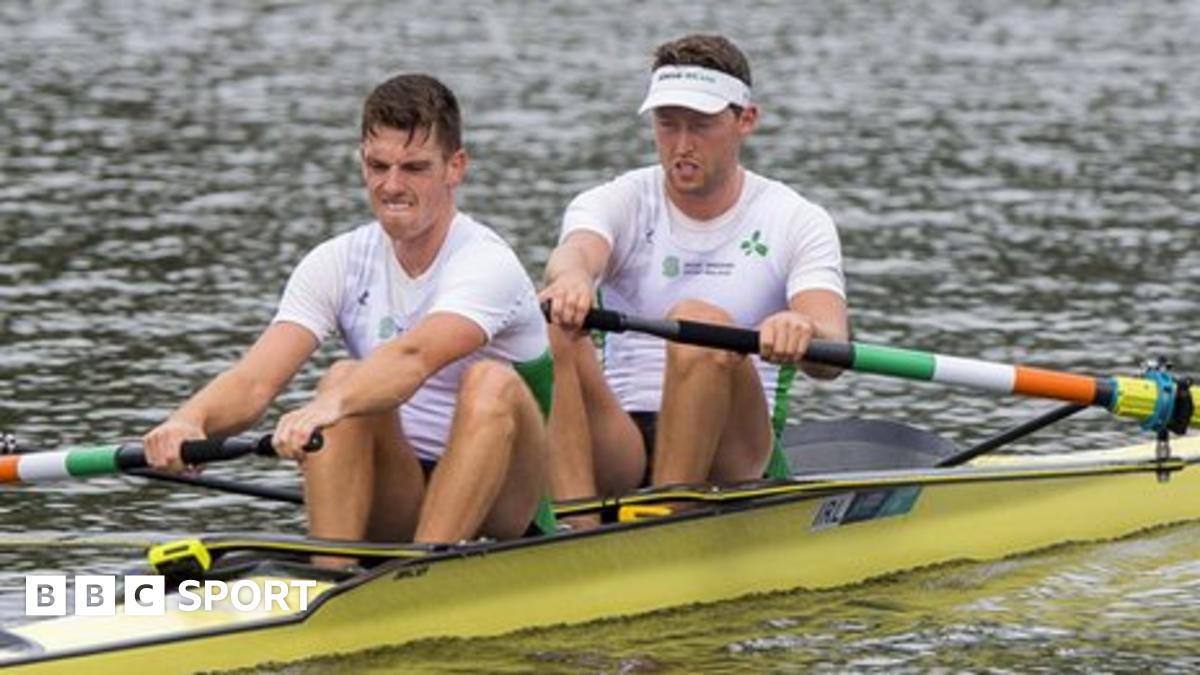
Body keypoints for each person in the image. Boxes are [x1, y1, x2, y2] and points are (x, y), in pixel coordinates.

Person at [143, 73, 554, 547]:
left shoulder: (486, 262)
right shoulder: (337, 261)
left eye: (414, 168)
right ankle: (333, 571)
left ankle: (424, 568)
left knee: (489, 381)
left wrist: (329, 406)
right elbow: (254, 381)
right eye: (378, 166)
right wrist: (189, 421)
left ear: (454, 167)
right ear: (362, 163)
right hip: (401, 489)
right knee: (343, 376)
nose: (392, 185)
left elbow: (416, 356)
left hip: (505, 501)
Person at [540, 34, 849, 524]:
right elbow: (575, 252)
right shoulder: (620, 200)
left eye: (701, 125)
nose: (681, 145)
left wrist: (803, 328)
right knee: (549, 320)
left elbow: (831, 347)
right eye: (667, 123)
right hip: (622, 443)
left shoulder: (795, 219)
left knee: (699, 323)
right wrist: (571, 279)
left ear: (746, 120)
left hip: (737, 455)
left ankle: (661, 523)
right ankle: (573, 529)